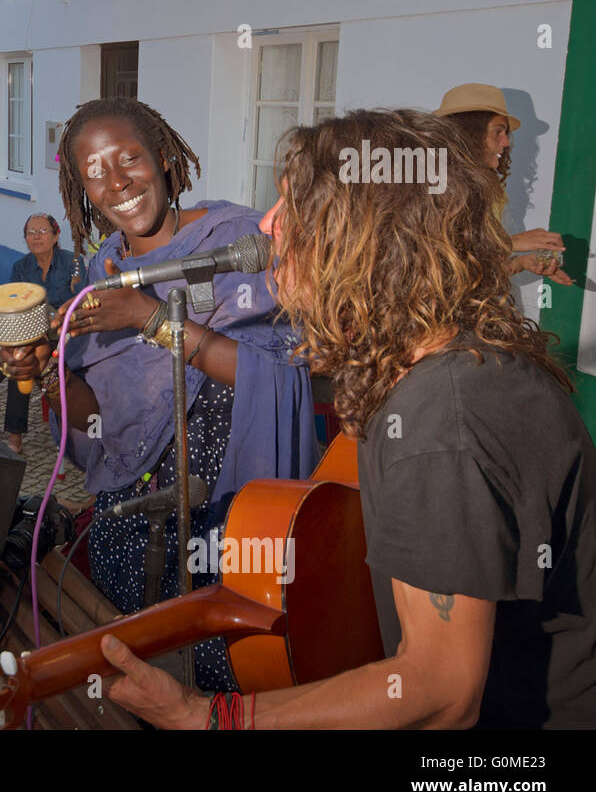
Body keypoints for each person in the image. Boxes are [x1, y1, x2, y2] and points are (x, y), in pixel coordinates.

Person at [99, 108, 596, 729]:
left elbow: (440, 688)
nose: (268, 225)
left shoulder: (441, 423)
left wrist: (210, 719)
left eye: (292, 208)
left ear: (366, 240)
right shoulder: (447, 356)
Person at [0, 97, 318, 691]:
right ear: (81, 189)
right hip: (135, 526)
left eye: (129, 159)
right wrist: (51, 374)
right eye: (94, 172)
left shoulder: (241, 242)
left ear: (165, 158)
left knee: (229, 682)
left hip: (232, 523)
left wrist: (151, 319)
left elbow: (281, 377)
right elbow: (99, 424)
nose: (116, 181)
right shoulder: (100, 278)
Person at [0, 213, 86, 454]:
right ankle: (12, 435)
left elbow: (80, 303)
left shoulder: (72, 263)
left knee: (21, 349)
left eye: (43, 231)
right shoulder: (21, 268)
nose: (36, 237)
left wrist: (54, 315)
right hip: (34, 337)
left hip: (68, 335)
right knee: (22, 353)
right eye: (30, 233)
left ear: (56, 235)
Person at [434, 83, 574, 285]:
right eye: (498, 132)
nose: (506, 142)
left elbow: (471, 276)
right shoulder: (431, 187)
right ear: (469, 134)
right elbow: (435, 267)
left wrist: (521, 263)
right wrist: (509, 243)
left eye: (506, 133)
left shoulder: (488, 189)